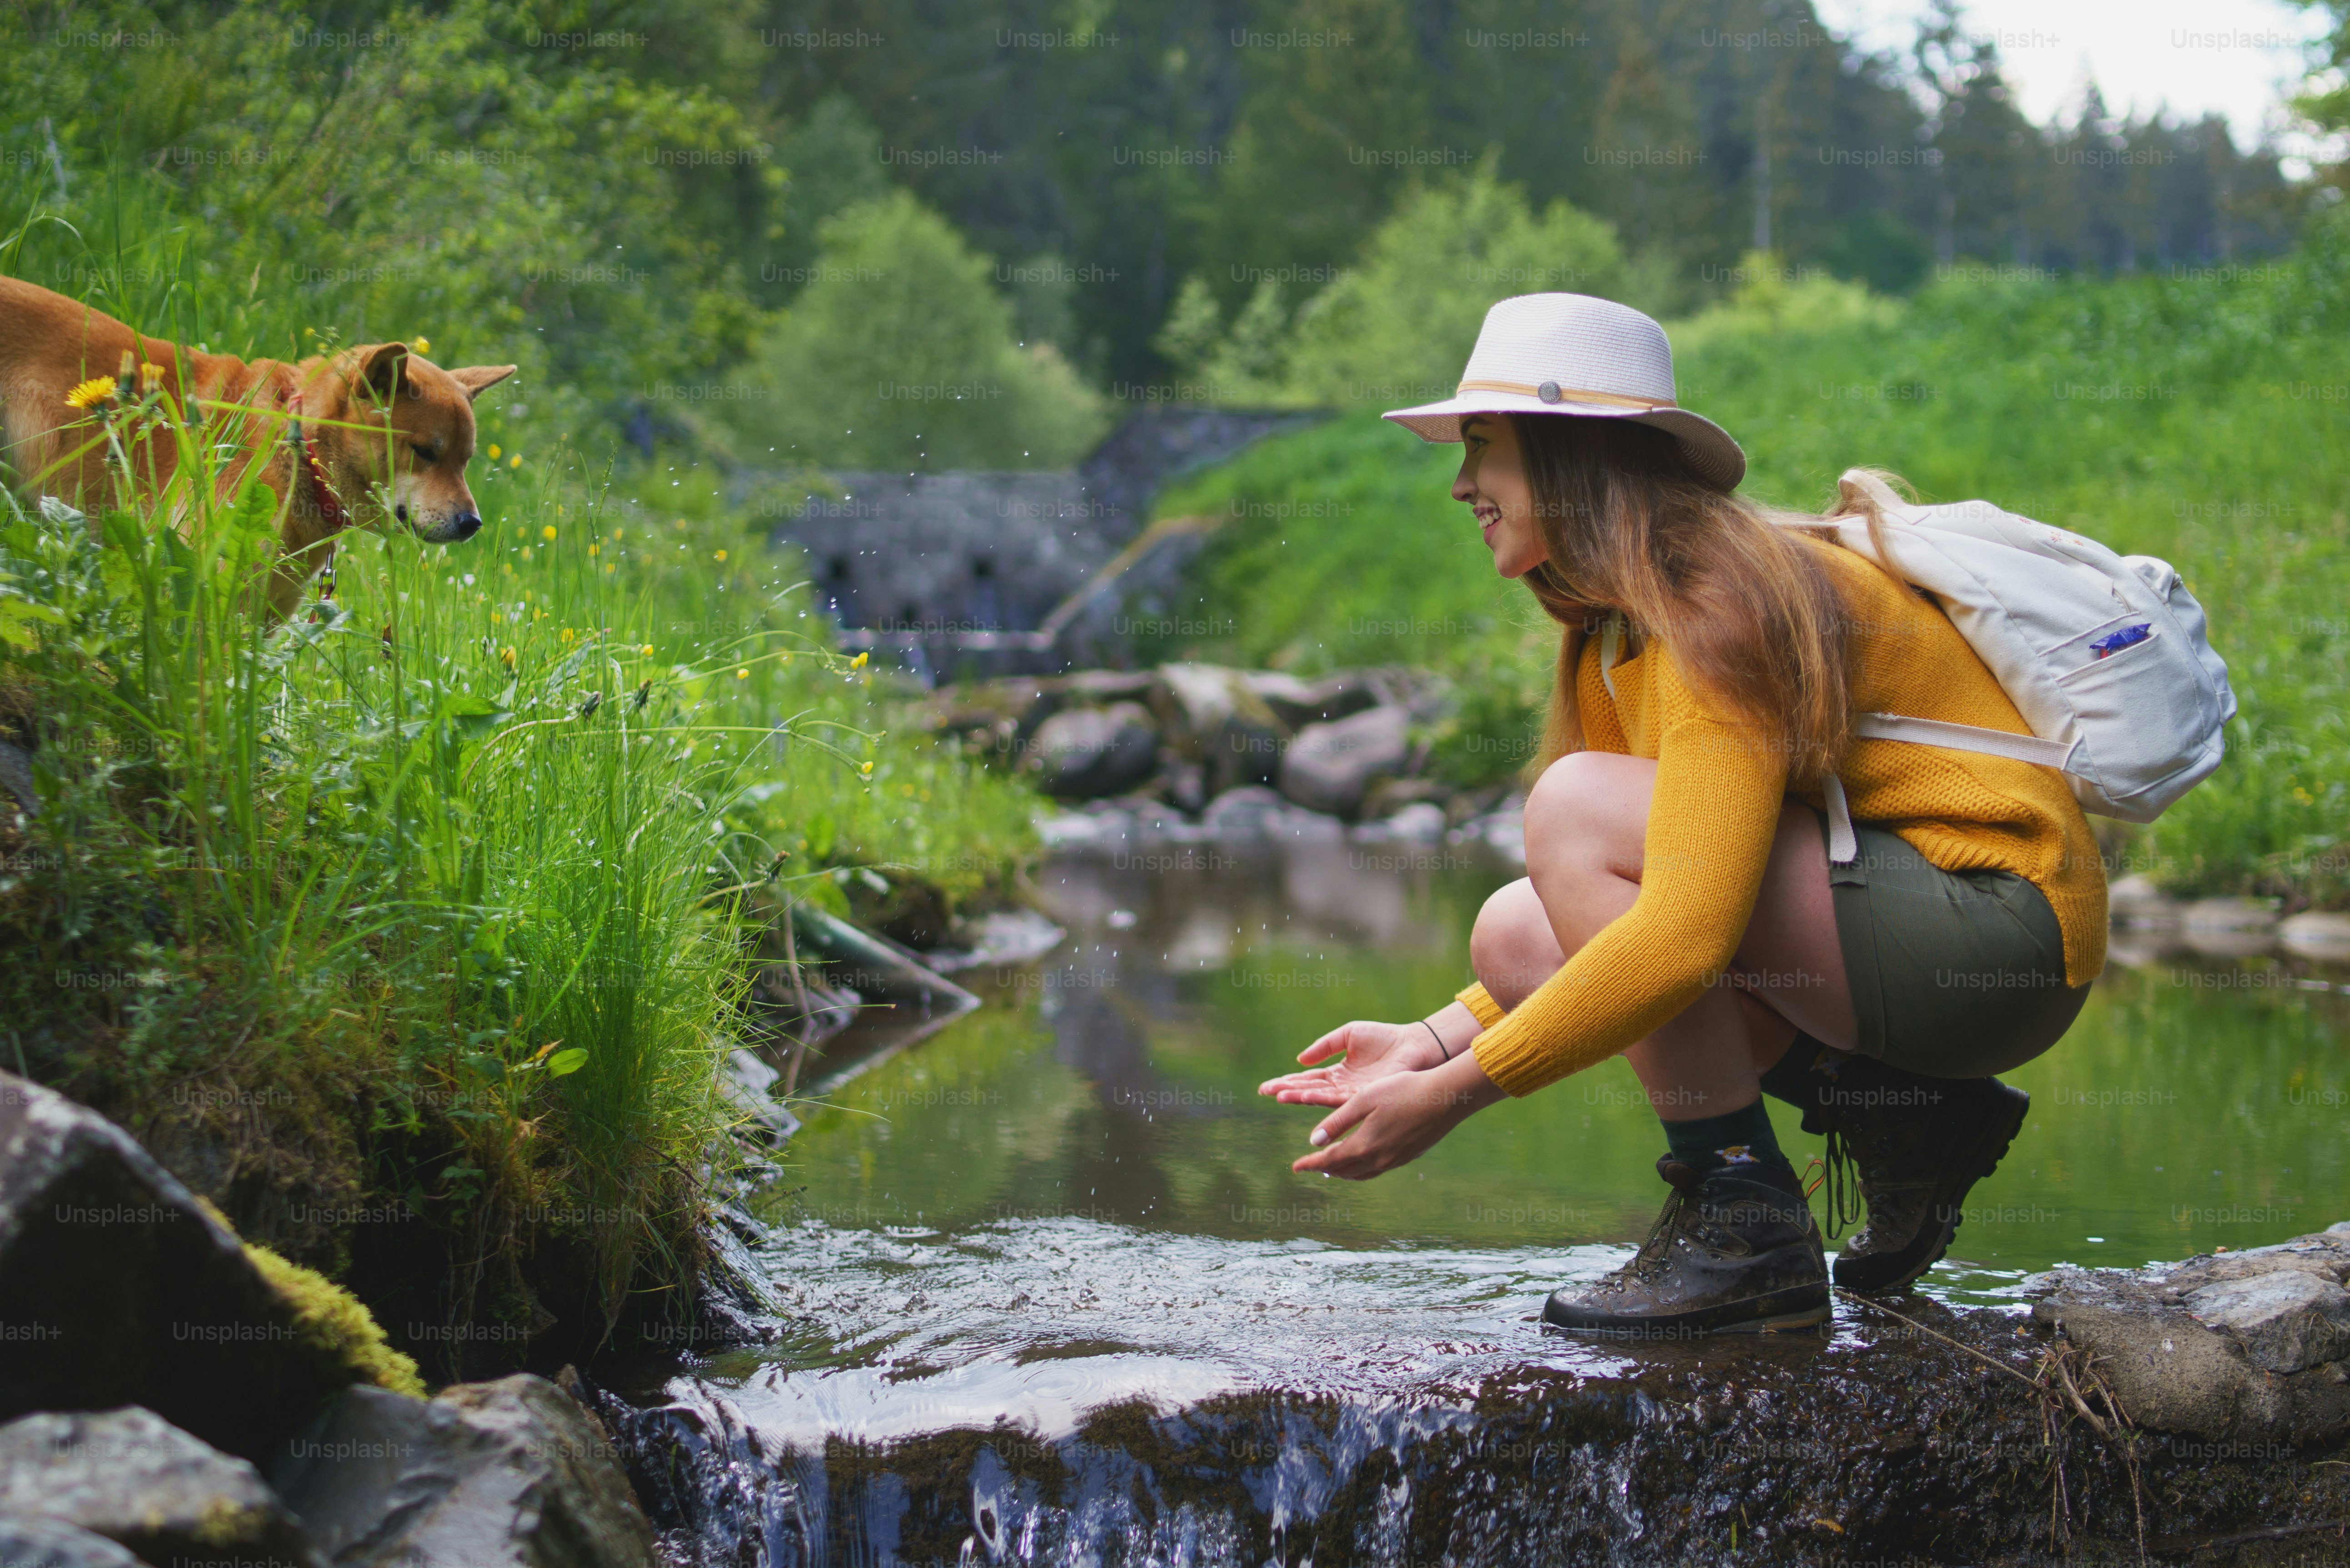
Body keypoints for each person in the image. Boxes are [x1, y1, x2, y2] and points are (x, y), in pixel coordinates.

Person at [1257, 293, 2105, 1334]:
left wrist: (1459, 1093)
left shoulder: (1717, 600)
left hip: (1994, 930)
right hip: (1895, 935)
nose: (1460, 483)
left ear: (1566, 451)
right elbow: (1633, 906)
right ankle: (1908, 1116)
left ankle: (1742, 1217)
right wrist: (1429, 1041)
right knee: (1516, 931)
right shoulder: (1617, 625)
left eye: (1482, 448)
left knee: (1574, 807)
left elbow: (1687, 930)